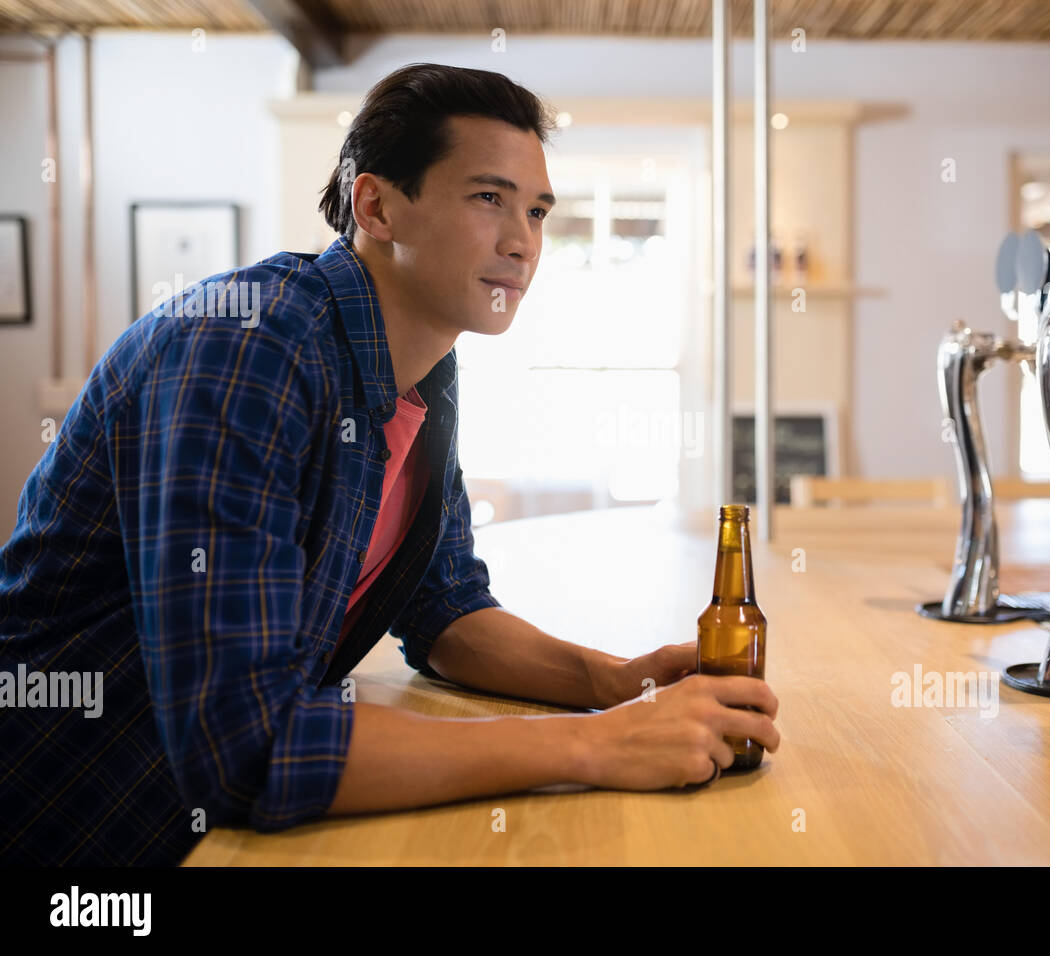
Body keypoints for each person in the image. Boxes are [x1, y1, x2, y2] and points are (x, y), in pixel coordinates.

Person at [0, 62, 779, 866]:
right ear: (376, 205)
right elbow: (244, 747)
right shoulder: (245, 350)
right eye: (488, 198)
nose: (523, 243)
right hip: (74, 822)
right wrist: (591, 749)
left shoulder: (425, 376)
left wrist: (615, 684)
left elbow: (445, 611)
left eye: (537, 210)